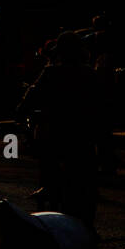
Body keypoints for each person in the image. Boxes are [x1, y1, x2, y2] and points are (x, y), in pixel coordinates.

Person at [19, 31, 99, 230]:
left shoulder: (50, 73)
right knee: (88, 184)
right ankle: (87, 224)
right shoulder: (90, 73)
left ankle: (48, 191)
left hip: (56, 134)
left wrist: (20, 111)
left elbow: (30, 99)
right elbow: (103, 104)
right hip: (82, 136)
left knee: (49, 167)